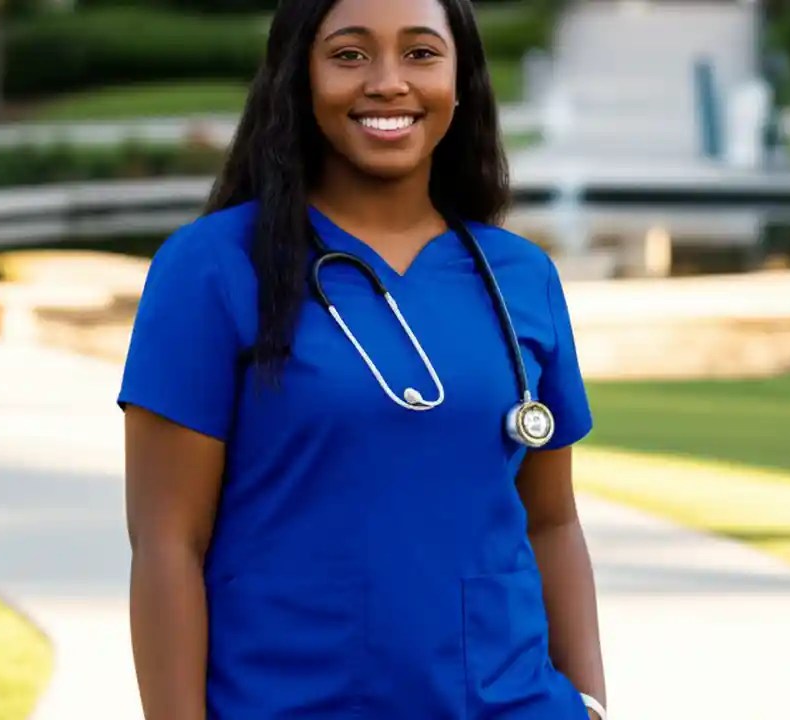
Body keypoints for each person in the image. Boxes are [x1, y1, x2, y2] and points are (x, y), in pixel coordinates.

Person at [118, 0, 607, 717]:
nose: (387, 82)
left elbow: (552, 522)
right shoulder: (212, 268)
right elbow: (168, 544)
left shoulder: (520, 277)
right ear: (299, 77)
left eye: (420, 53)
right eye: (349, 55)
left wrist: (592, 702)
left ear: (461, 77)